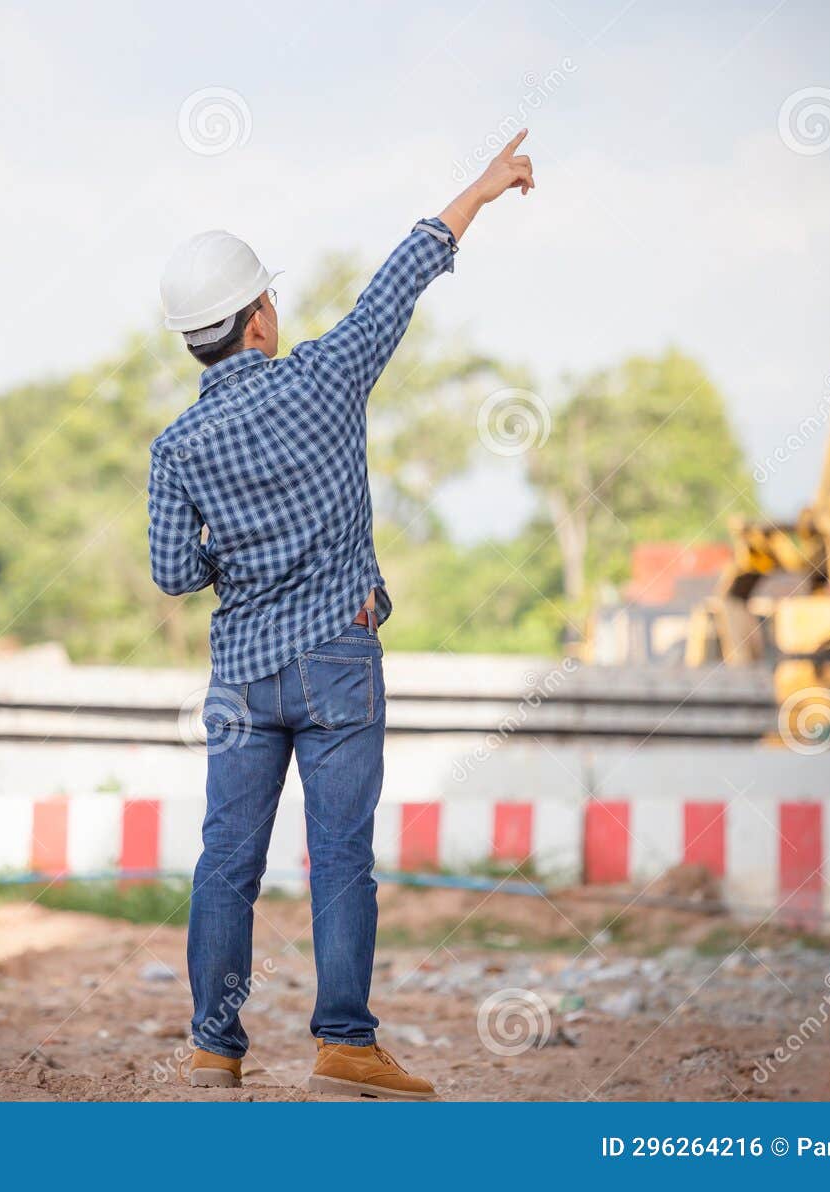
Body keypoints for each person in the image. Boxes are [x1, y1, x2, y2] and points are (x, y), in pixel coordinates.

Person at [148, 130, 535, 1099]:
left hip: (241, 671)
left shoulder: (177, 445)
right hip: (336, 661)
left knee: (225, 859)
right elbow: (398, 280)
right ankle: (343, 1047)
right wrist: (481, 188)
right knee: (340, 858)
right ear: (257, 318)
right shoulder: (325, 379)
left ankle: (210, 1048)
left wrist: (236, 557)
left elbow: (168, 573)